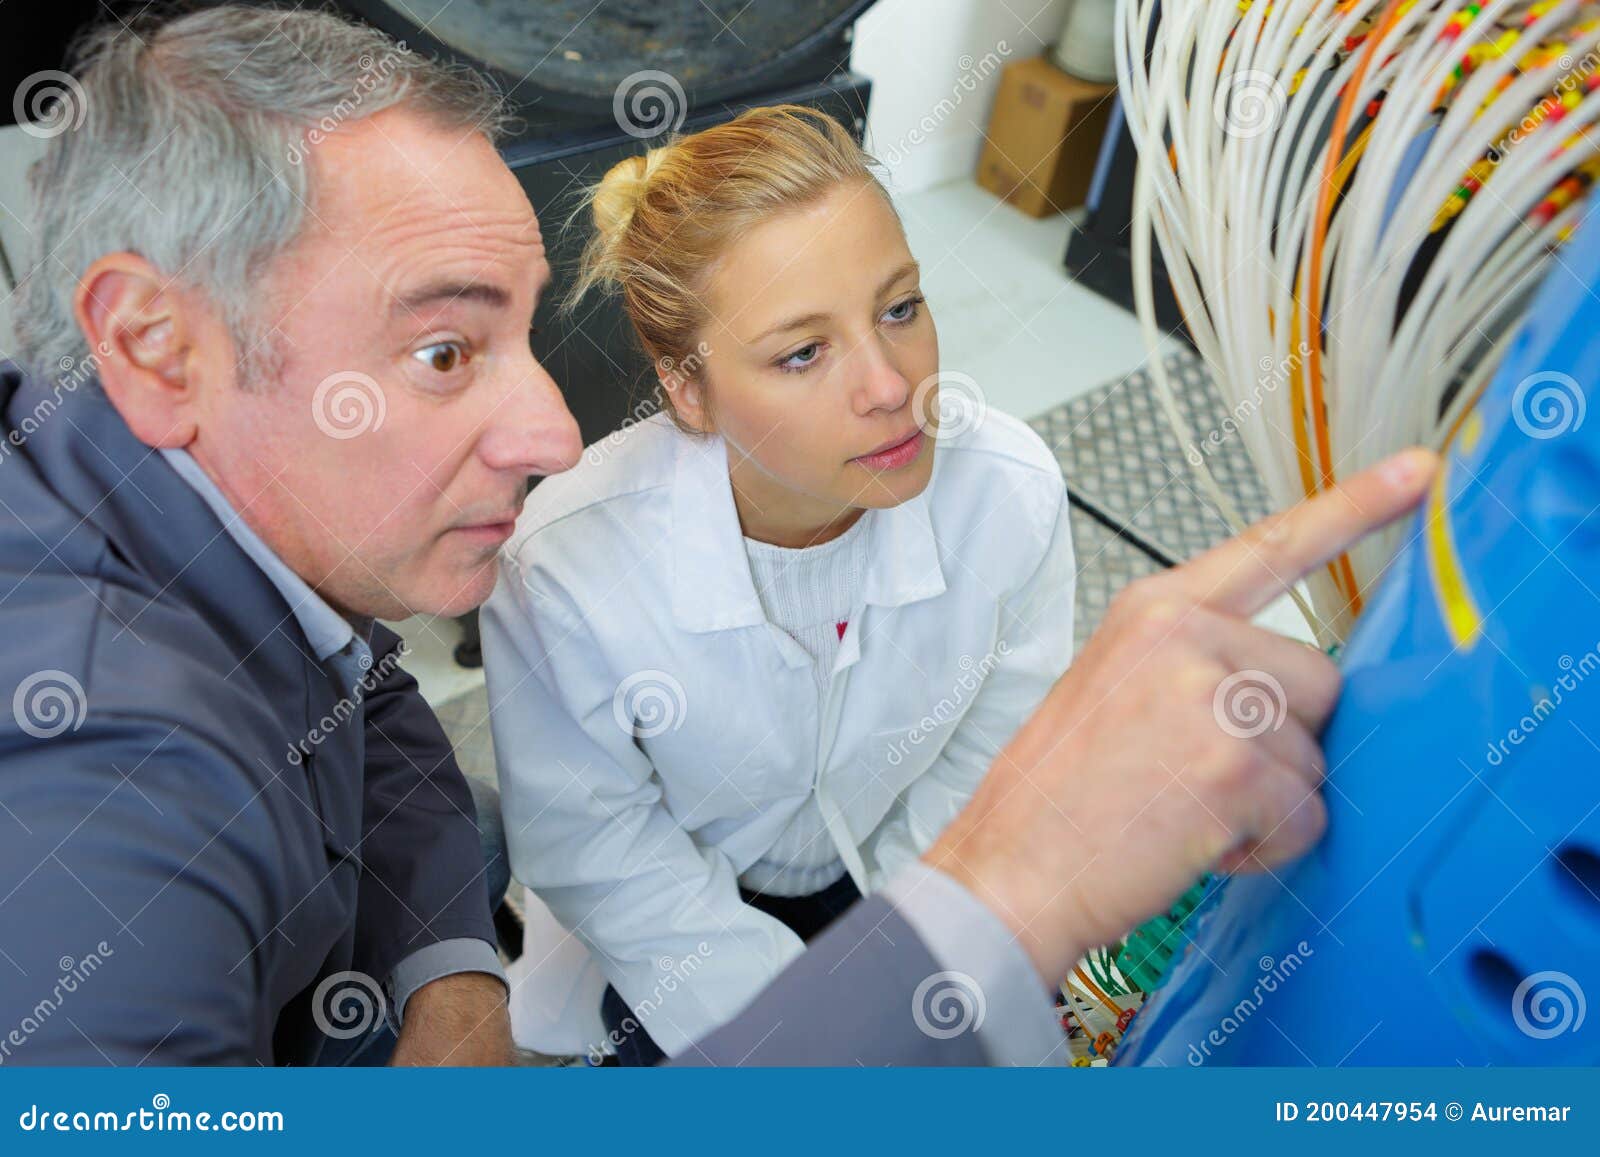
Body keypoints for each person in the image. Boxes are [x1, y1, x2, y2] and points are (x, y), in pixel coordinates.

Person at [0, 4, 1438, 1067]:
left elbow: (378, 723)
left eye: (901, 304)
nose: (555, 434)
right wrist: (994, 910)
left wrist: (444, 972)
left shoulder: (260, 561)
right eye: (444, 350)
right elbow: (600, 850)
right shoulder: (113, 817)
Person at [481, 106, 1076, 1064]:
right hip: (672, 929)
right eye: (802, 352)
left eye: (900, 308)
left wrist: (892, 965)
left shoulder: (1008, 495)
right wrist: (807, 1032)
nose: (890, 384)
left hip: (899, 868)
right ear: (688, 387)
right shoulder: (566, 564)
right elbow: (600, 851)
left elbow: (996, 753)